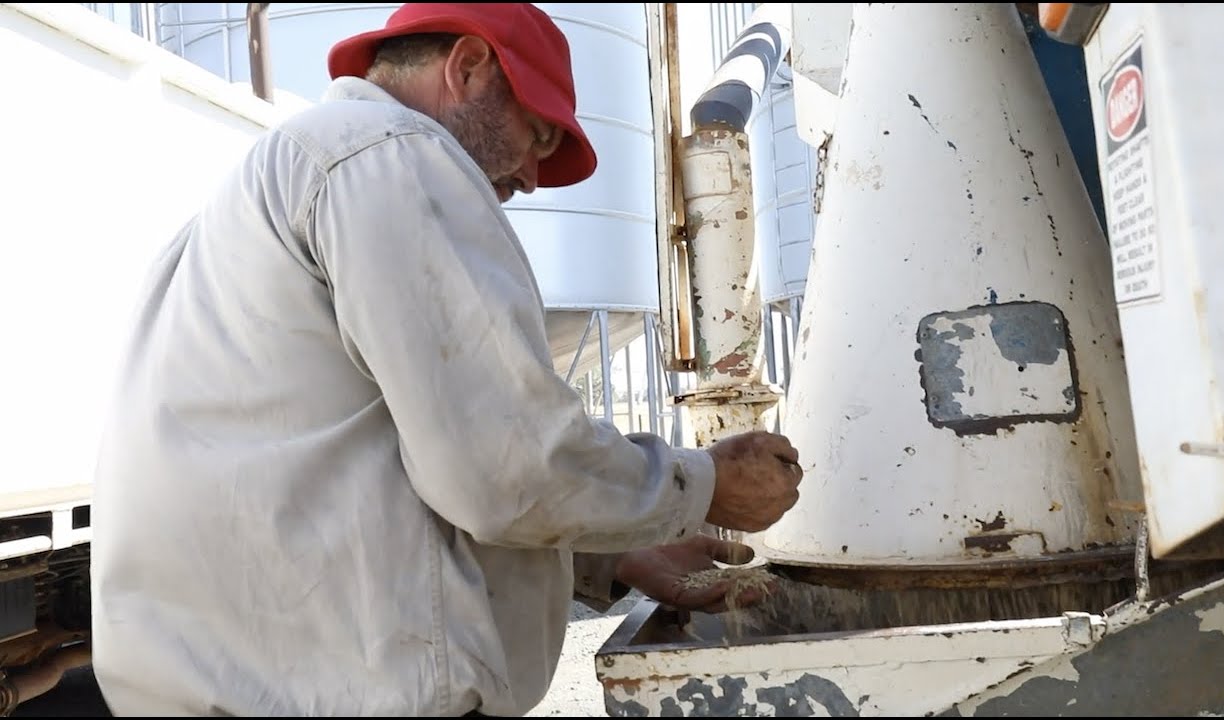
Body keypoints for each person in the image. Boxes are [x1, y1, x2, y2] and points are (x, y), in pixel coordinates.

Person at [88, 3, 804, 717]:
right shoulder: (390, 152)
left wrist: (608, 555)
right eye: (539, 133)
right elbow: (507, 464)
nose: (529, 175)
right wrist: (701, 485)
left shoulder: (272, 184)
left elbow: (374, 474)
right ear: (467, 68)